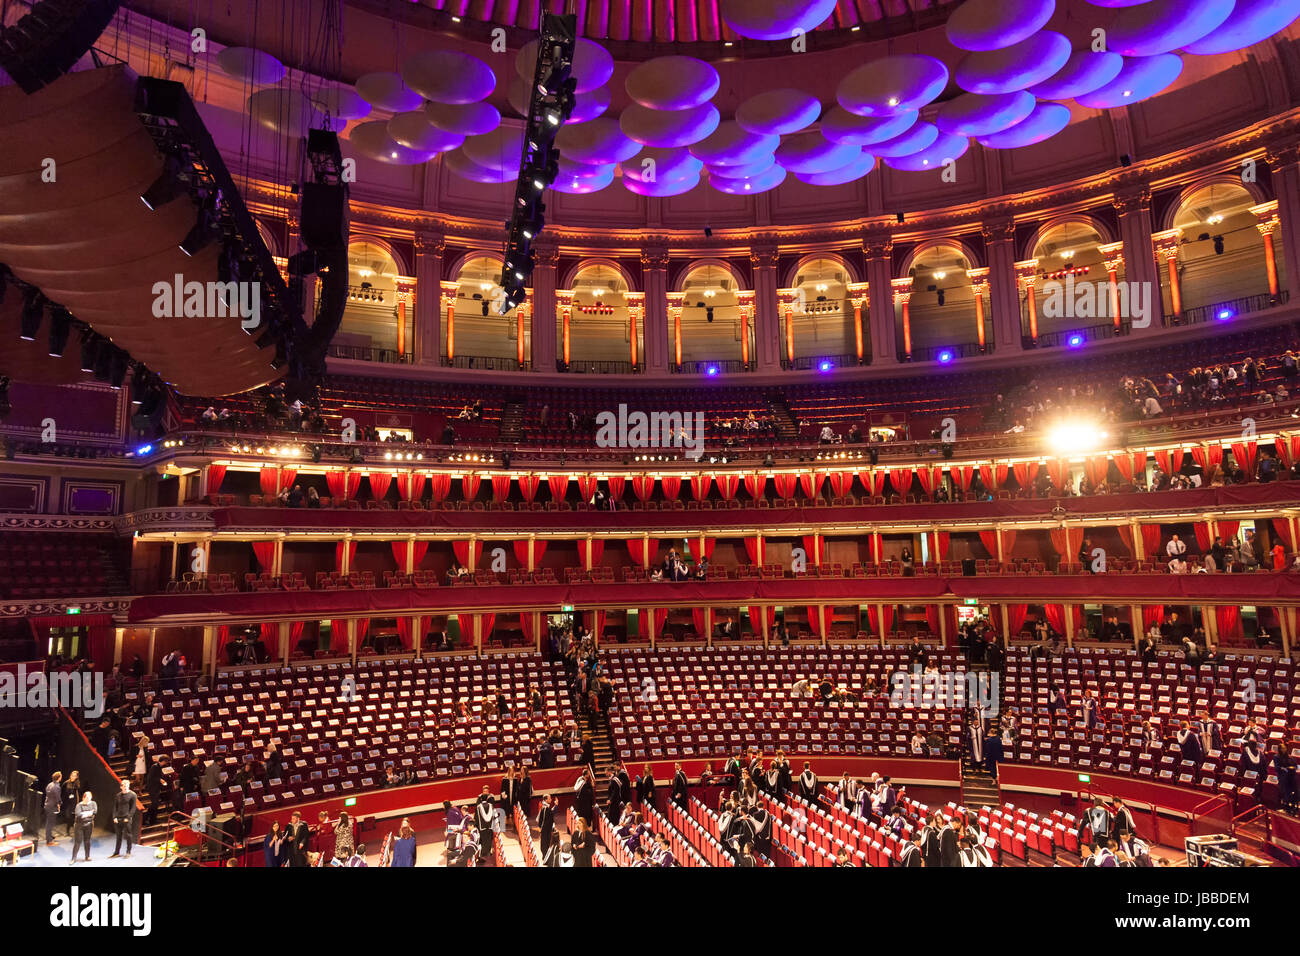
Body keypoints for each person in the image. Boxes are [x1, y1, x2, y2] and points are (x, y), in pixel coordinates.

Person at [109, 779, 138, 859]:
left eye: (126, 786)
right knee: (118, 836)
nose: (125, 787)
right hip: (118, 818)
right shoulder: (118, 795)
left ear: (128, 786)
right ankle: (116, 852)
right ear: (121, 787)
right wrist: (114, 817)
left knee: (128, 835)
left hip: (126, 818)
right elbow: (115, 807)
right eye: (123, 786)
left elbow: (133, 808)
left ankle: (128, 851)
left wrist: (128, 817)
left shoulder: (133, 795)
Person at [71, 790, 97, 863]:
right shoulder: (79, 805)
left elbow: (95, 812)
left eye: (89, 797)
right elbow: (78, 815)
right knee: (77, 842)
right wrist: (89, 813)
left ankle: (87, 856)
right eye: (86, 797)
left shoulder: (93, 803)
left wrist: (84, 814)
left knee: (87, 841)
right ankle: (73, 858)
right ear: (83, 798)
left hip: (89, 824)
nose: (88, 798)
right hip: (79, 825)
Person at [474, 787, 496, 860]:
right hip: (490, 826)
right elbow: (493, 815)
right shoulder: (491, 805)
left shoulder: (478, 807)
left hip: (481, 826)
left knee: (483, 839)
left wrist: (476, 824)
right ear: (486, 798)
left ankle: (483, 852)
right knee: (489, 839)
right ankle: (488, 852)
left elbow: (476, 817)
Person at [44, 771, 62, 846]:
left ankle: (49, 836)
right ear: (59, 778)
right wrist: (59, 804)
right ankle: (49, 841)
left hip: (47, 805)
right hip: (52, 806)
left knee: (49, 822)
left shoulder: (49, 784)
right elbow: (58, 798)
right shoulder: (57, 787)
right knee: (50, 823)